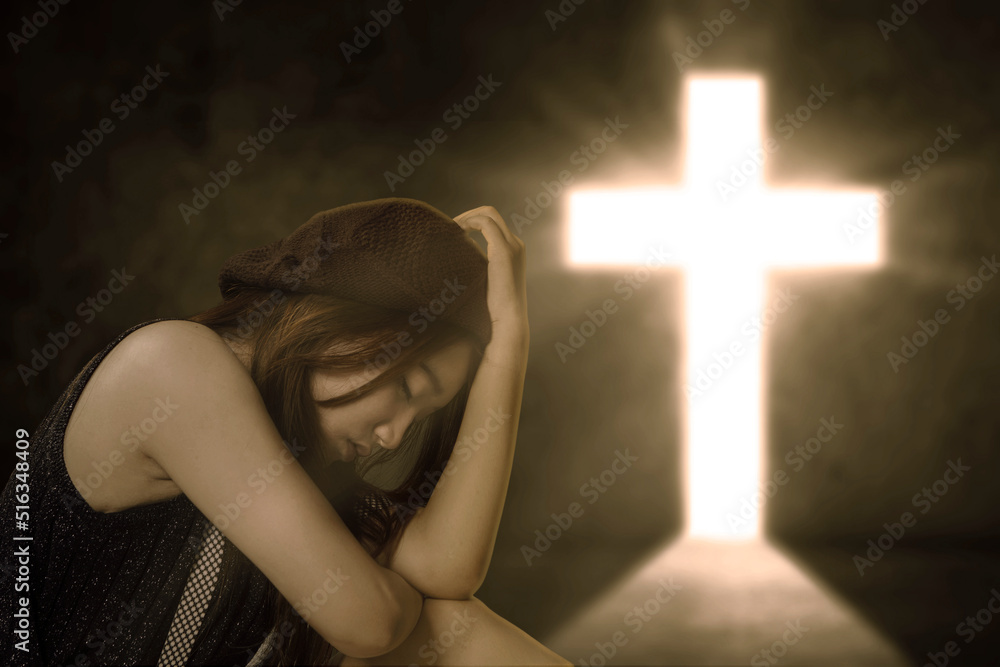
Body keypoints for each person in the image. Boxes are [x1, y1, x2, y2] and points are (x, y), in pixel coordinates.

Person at [0, 198, 571, 666]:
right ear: (340, 320)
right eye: (405, 389)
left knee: (447, 627)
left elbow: (445, 570)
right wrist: (383, 592)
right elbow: (370, 624)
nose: (395, 437)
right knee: (426, 628)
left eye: (419, 417)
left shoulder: (293, 455)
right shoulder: (169, 365)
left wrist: (509, 350)